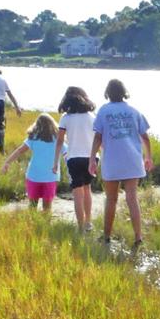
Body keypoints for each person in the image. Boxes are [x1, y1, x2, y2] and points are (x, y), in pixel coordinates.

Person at [89, 79, 153, 246]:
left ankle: (106, 236)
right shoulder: (134, 111)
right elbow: (145, 137)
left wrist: (92, 158)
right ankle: (138, 237)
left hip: (112, 160)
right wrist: (148, 157)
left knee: (111, 199)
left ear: (108, 93)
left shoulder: (103, 111)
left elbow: (97, 137)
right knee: (132, 198)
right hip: (132, 160)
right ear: (124, 92)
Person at [55, 86, 97, 232]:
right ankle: (88, 222)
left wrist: (55, 162)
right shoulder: (92, 117)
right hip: (91, 158)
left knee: (78, 194)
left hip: (73, 158)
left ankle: (80, 226)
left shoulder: (65, 118)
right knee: (87, 189)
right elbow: (99, 139)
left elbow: (60, 141)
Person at [1, 114, 61, 213]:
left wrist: (7, 162)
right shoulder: (58, 140)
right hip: (51, 177)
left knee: (32, 205)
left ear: (37, 125)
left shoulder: (34, 138)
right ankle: (44, 225)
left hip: (34, 176)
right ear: (53, 125)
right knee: (47, 207)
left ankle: (31, 225)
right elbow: (67, 154)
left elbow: (20, 150)